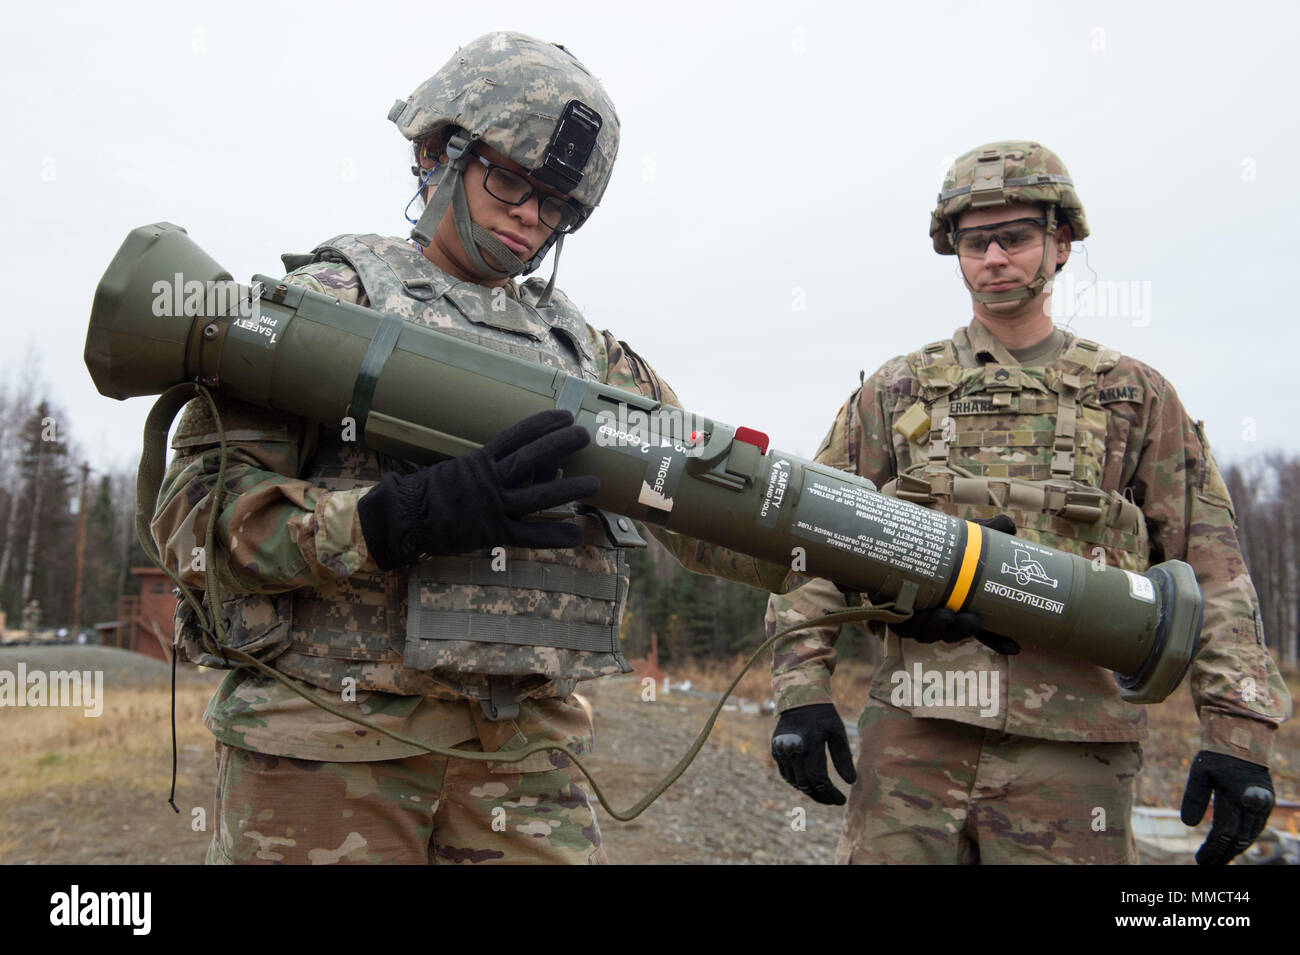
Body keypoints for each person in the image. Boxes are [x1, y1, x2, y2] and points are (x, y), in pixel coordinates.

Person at [151, 31, 696, 865]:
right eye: (511, 178)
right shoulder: (323, 312)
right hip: (329, 749)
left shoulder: (588, 354)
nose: (530, 215)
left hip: (524, 765)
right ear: (437, 152)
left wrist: (878, 575)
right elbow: (195, 525)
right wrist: (388, 520)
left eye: (555, 202)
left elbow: (706, 497)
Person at [766, 141, 1291, 864]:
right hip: (917, 735)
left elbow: (1216, 569)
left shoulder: (1134, 396)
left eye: (1014, 237)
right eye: (974, 242)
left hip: (1075, 755)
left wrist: (1240, 738)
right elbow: (816, 533)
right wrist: (801, 686)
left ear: (1062, 244)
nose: (994, 259)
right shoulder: (896, 392)